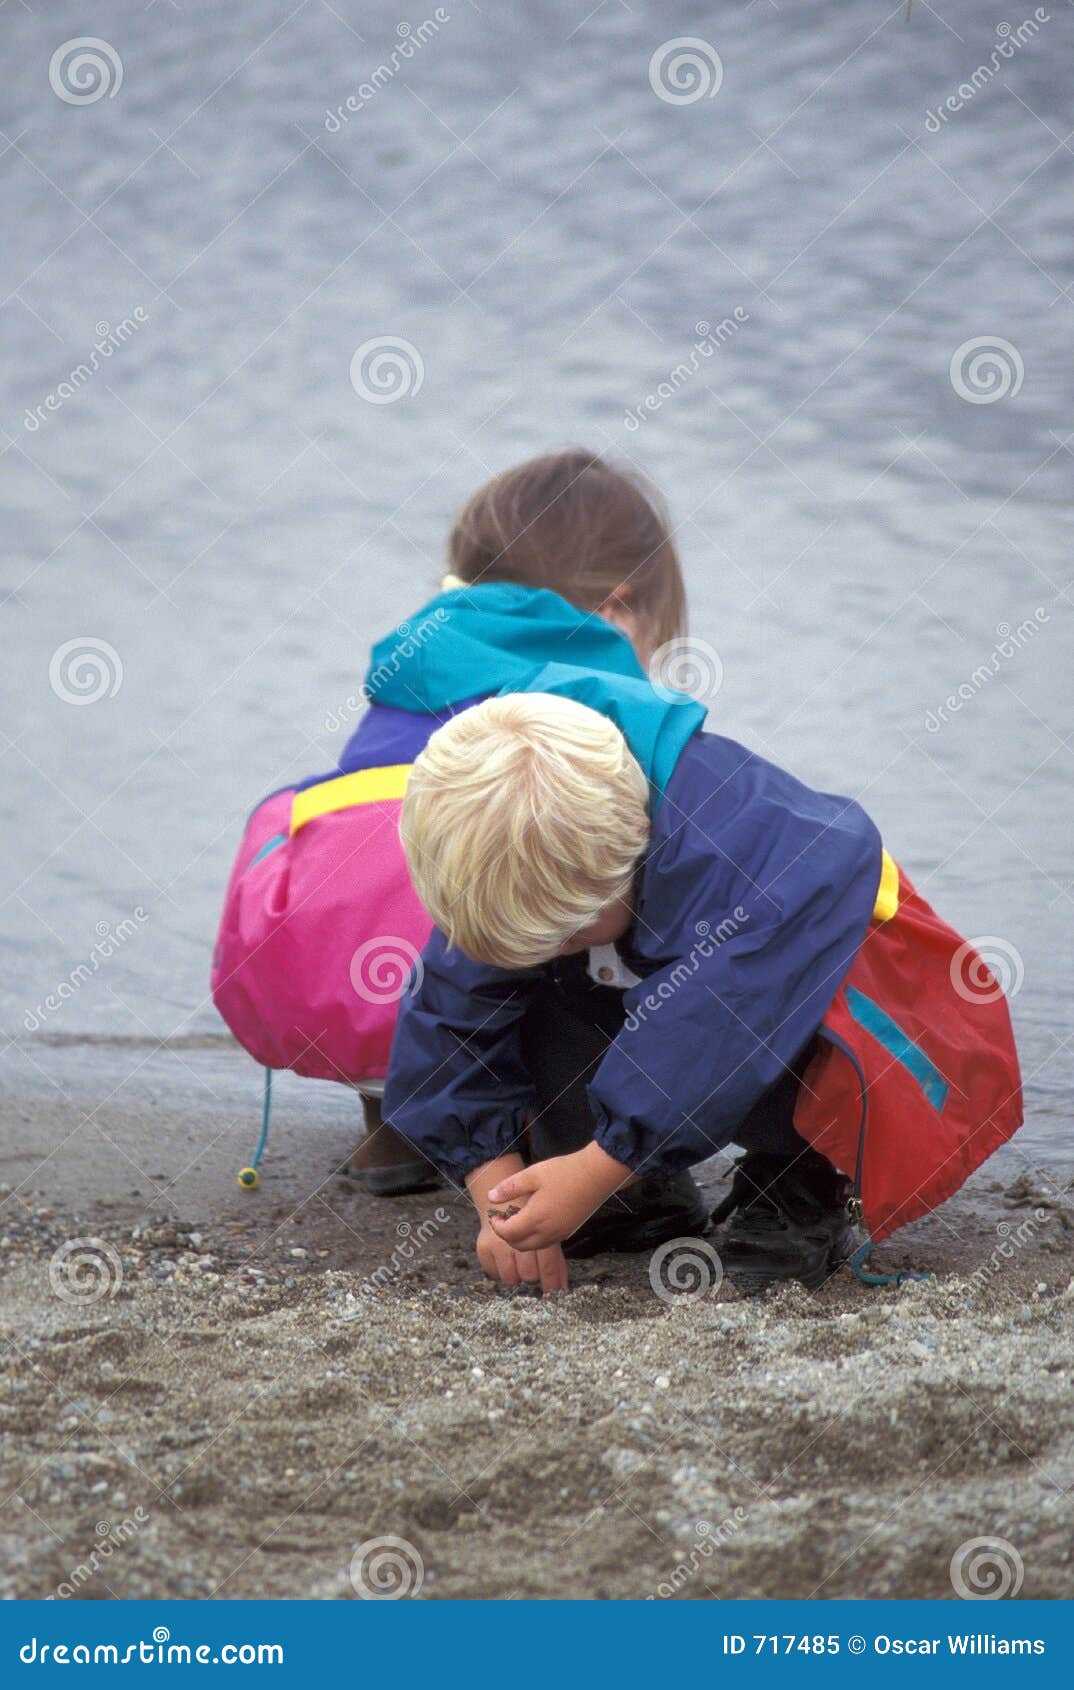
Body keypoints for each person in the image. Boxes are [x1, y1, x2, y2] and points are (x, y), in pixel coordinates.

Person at [383, 691, 1023, 1294]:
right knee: (512, 979)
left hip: (809, 987)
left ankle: (792, 1185)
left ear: (632, 840)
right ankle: (639, 1195)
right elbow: (451, 1013)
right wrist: (497, 1186)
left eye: (565, 930)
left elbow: (711, 1027)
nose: (548, 945)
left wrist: (599, 1166)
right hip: (666, 977)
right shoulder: (520, 850)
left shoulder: (740, 850)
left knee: (742, 1005)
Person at [211, 449, 701, 1236]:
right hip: (442, 989)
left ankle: (390, 1132)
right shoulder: (594, 683)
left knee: (428, 859)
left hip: (323, 987)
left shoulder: (415, 657)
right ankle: (559, 1137)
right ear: (619, 609)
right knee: (576, 879)